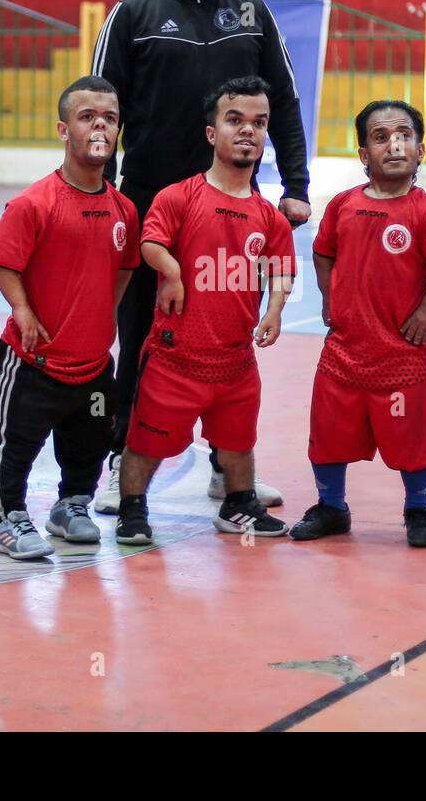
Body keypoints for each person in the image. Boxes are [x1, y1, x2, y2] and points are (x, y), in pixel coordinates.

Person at [91, 0, 311, 514]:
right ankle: (120, 463)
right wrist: (103, 196)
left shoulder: (252, 13)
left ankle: (229, 468)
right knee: (140, 335)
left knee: (229, 339)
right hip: (147, 208)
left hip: (236, 209)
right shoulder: (131, 15)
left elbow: (285, 103)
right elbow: (104, 110)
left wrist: (294, 186)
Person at [114, 77, 295, 545]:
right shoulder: (179, 196)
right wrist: (172, 272)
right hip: (175, 358)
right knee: (146, 444)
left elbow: (280, 270)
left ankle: (239, 505)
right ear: (212, 133)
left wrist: (274, 308)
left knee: (238, 444)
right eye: (234, 120)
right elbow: (150, 242)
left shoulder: (268, 215)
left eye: (258, 123)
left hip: (235, 361)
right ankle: (132, 509)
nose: (247, 131)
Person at [290, 101, 426, 548]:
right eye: (380, 137)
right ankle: (331, 507)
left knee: (414, 440)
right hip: (344, 351)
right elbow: (324, 252)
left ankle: (418, 508)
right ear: (364, 153)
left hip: (401, 356)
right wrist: (329, 296)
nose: (394, 144)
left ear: (420, 150)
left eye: (403, 135)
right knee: (328, 435)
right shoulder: (343, 205)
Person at [0, 76, 139, 559]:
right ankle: (9, 517)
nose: (99, 126)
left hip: (92, 366)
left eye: (109, 118)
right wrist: (23, 310)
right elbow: (3, 260)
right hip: (32, 363)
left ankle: (71, 506)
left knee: (89, 443)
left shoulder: (124, 210)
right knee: (13, 448)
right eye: (87, 116)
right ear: (63, 129)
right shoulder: (34, 202)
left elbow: (126, 268)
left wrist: (100, 317)